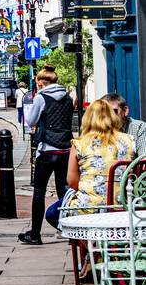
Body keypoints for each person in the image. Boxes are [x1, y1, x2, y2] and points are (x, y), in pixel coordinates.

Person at [47, 98, 135, 232]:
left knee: (52, 213)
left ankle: (89, 245)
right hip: (123, 204)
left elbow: (71, 181)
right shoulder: (129, 140)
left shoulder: (79, 144)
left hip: (89, 208)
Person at [18, 66, 74, 246]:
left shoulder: (41, 97)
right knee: (64, 192)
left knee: (39, 192)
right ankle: (68, 230)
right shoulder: (68, 97)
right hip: (65, 149)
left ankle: (35, 234)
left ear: (41, 83)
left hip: (47, 150)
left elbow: (31, 121)